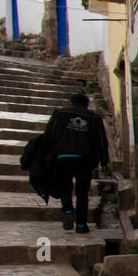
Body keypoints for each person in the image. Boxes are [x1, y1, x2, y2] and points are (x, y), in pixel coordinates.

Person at [41, 92, 109, 233]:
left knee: (65, 187)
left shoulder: (59, 114)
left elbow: (49, 134)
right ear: (86, 104)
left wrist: (46, 153)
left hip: (63, 157)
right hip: (85, 159)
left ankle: (67, 211)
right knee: (82, 192)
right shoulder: (94, 118)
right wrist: (104, 160)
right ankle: (81, 225)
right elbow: (101, 141)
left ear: (71, 102)